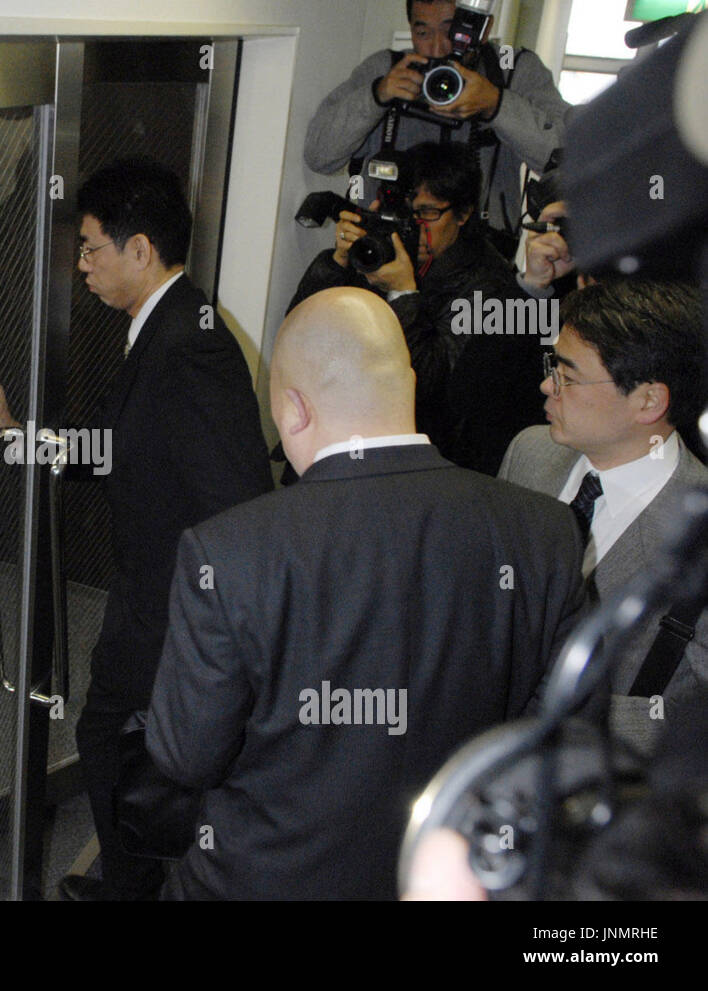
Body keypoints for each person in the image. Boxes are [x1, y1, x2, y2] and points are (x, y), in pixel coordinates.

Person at [145, 286, 585, 899]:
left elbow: (186, 756)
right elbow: (559, 731)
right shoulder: (545, 531)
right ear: (406, 385)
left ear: (292, 410)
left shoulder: (229, 553)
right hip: (452, 880)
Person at [0, 157, 272, 901]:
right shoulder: (162, 325)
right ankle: (136, 882)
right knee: (121, 746)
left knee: (110, 742)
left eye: (93, 247)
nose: (84, 265)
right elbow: (109, 445)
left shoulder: (188, 347)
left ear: (140, 249)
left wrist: (204, 634)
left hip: (171, 614)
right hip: (157, 605)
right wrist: (13, 431)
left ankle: (137, 887)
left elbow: (239, 500)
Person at [498, 278, 708, 756]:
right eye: (552, 365)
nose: (547, 385)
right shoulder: (530, 453)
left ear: (649, 401)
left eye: (568, 376)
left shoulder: (697, 534)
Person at [289, 141, 539, 475]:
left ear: (464, 213)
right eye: (407, 211)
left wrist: (402, 292)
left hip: (413, 460)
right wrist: (337, 263)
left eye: (428, 213)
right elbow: (299, 332)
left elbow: (434, 387)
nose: (414, 225)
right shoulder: (380, 244)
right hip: (338, 437)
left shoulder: (489, 288)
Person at [305, 0, 570, 245]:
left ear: (481, 28)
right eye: (423, 33)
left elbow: (568, 156)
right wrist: (378, 95)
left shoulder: (513, 71)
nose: (438, 49)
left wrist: (497, 105)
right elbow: (319, 156)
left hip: (479, 262)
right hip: (385, 250)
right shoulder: (387, 68)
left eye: (451, 32)